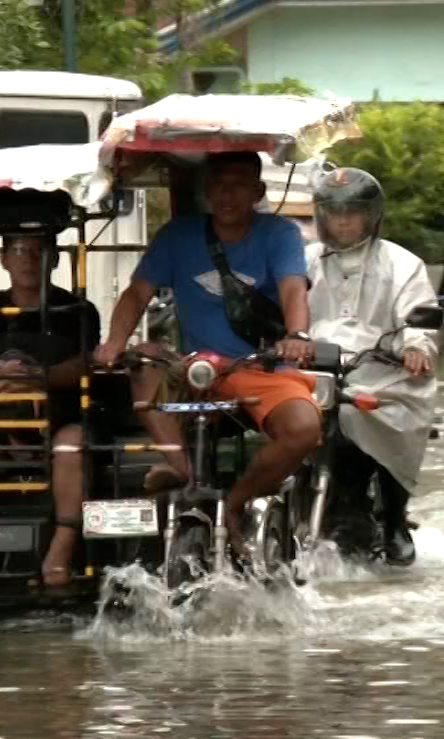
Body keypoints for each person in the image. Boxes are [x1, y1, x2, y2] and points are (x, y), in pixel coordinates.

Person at [94, 150, 319, 559]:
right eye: (217, 184)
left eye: (238, 184)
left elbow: (292, 288)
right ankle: (180, 467)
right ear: (206, 192)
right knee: (143, 361)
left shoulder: (279, 234)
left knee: (305, 428)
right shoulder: (178, 235)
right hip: (196, 367)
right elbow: (136, 293)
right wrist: (114, 342)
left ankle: (236, 503)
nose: (227, 194)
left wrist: (297, 334)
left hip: (260, 366)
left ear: (258, 191)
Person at [0, 232, 101, 594]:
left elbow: (84, 364)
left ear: (55, 258)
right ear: (3, 259)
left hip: (59, 416)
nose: (29, 258)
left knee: (73, 446)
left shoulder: (77, 310)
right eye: (19, 250)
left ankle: (59, 555)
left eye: (39, 249)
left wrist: (39, 379)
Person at [303, 166, 439, 567]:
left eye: (352, 212)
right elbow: (280, 304)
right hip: (313, 368)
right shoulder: (303, 260)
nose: (343, 220)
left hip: (382, 369)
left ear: (372, 215)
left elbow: (418, 313)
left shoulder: (403, 263)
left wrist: (415, 345)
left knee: (392, 418)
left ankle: (394, 519)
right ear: (321, 216)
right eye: (334, 212)